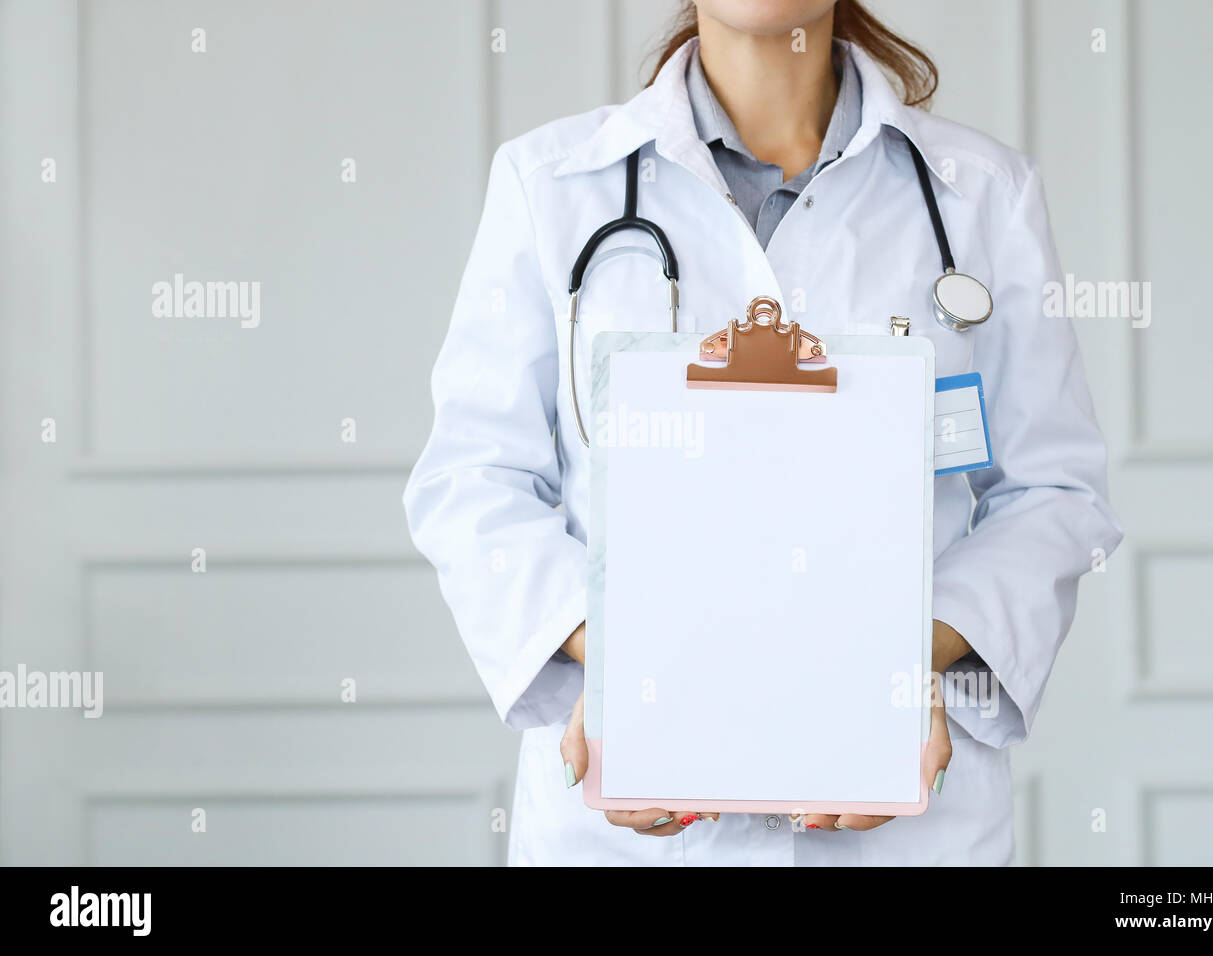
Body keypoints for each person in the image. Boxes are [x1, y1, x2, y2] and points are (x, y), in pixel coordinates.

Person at [404, 0, 1123, 865]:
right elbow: (471, 483)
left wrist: (888, 656)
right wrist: (640, 657)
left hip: (911, 827)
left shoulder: (981, 193)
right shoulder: (550, 184)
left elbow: (1055, 493)